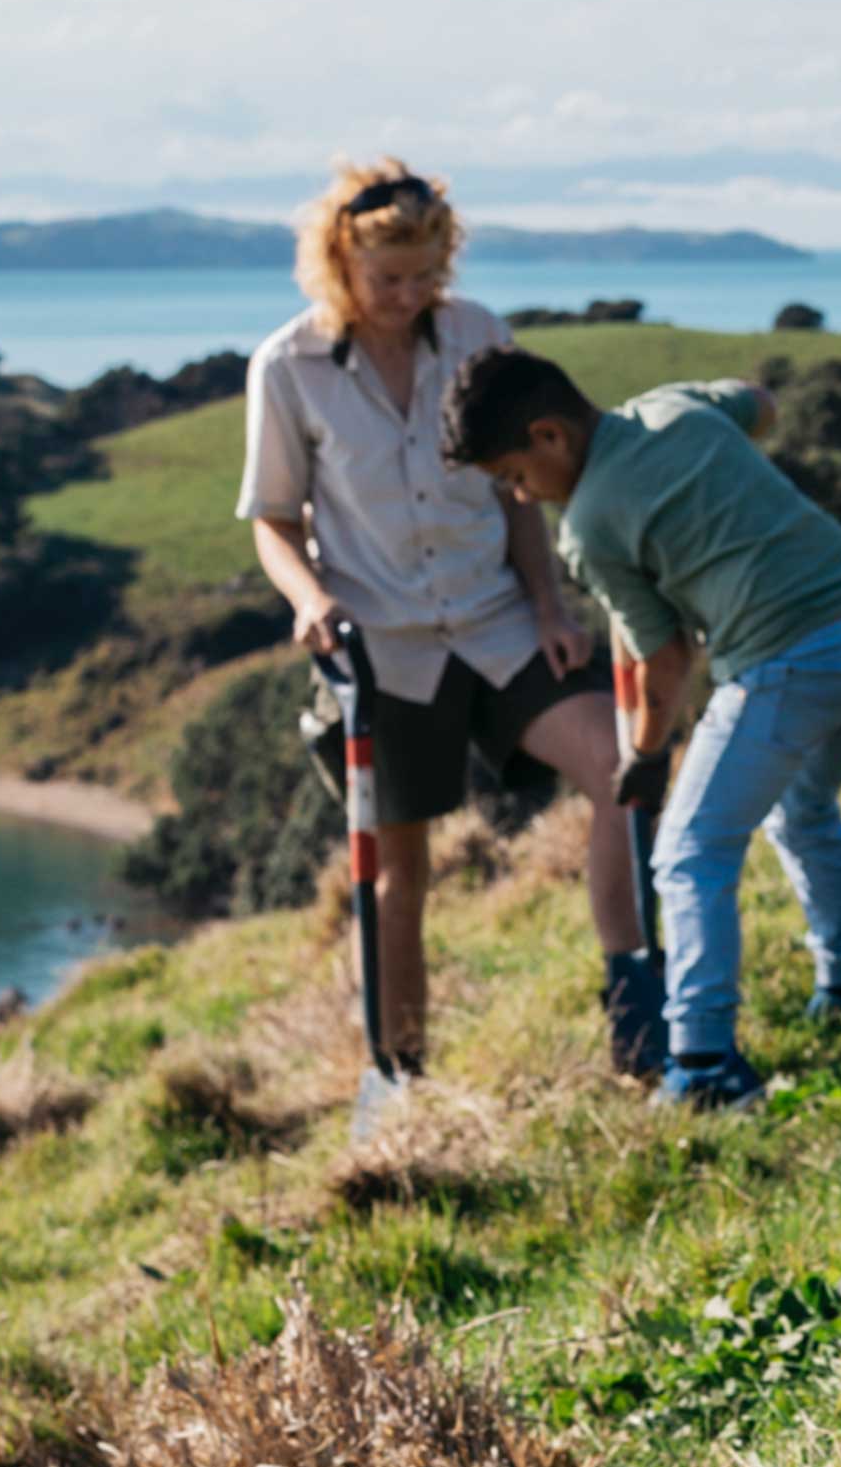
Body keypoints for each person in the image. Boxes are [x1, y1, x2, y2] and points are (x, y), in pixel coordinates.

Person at [239, 159, 657, 1085]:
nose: (409, 296)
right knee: (401, 877)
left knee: (623, 772)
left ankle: (640, 1018)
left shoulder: (476, 335)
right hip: (378, 646)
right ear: (339, 262)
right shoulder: (286, 367)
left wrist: (551, 605)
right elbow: (272, 519)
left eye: (428, 275)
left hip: (501, 618)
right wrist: (311, 603)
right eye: (389, 278)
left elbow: (516, 488)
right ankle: (403, 1077)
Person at [443, 348, 841, 1110]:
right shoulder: (673, 405)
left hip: (786, 661)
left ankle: (704, 1065)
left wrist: (646, 753)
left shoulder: (591, 523)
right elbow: (761, 401)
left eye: (513, 475)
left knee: (690, 851)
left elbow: (666, 657)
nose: (520, 495)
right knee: (805, 810)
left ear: (550, 436)